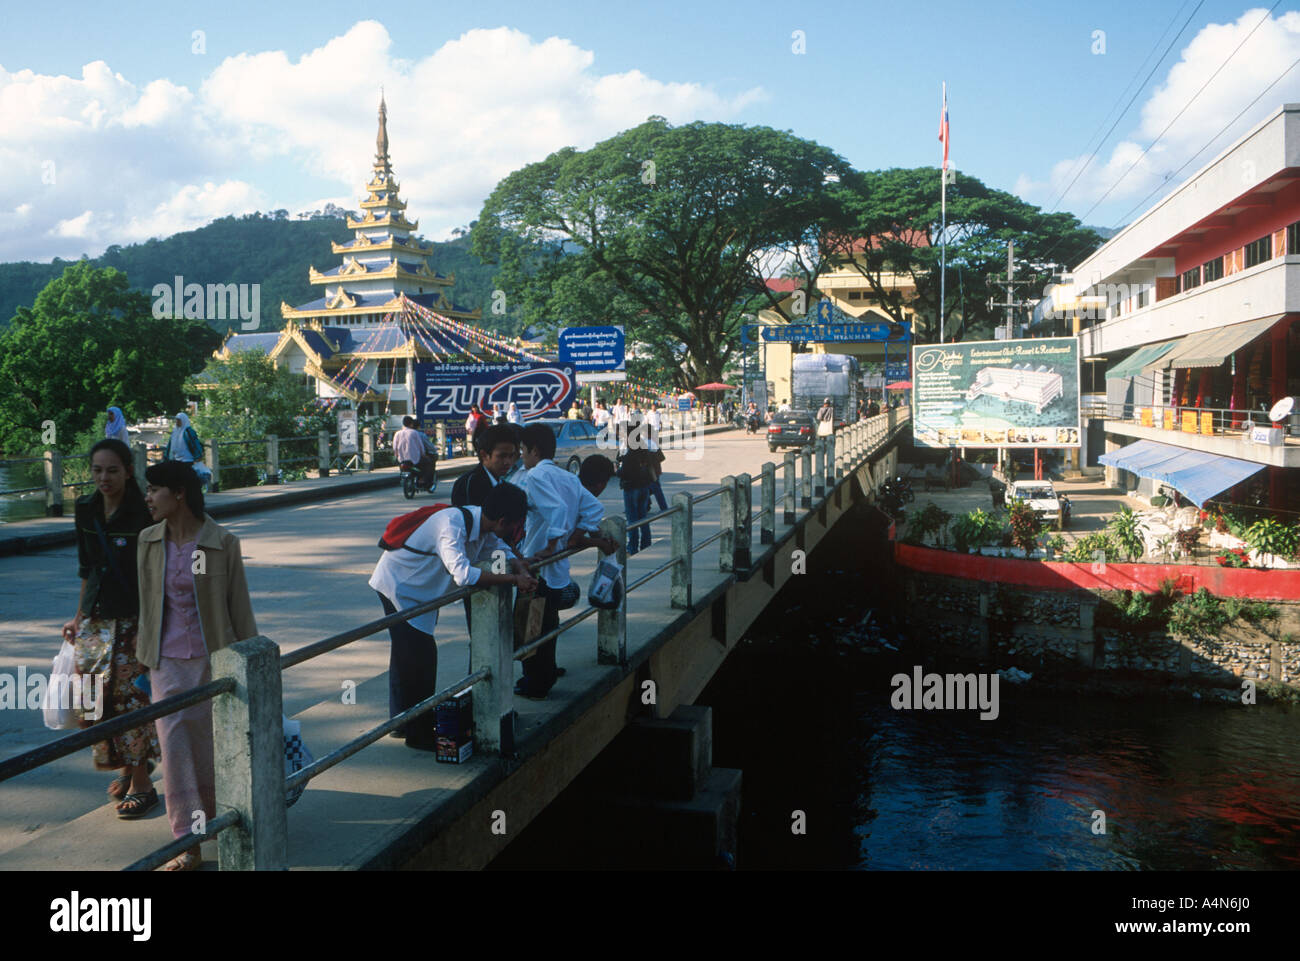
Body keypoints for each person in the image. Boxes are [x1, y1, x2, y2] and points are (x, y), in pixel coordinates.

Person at [136, 460, 257, 871]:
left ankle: (223, 823)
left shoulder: (221, 543)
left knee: (212, 748)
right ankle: (186, 843)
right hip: (165, 662)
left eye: (155, 490)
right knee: (175, 750)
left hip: (213, 660)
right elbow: (147, 605)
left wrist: (253, 663)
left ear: (180, 493)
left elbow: (238, 609)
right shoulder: (148, 541)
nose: (148, 498)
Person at [369, 485, 537, 747]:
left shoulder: (482, 524)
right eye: (514, 525)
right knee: (421, 657)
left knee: (408, 654)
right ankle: (418, 733)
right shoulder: (451, 525)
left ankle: (403, 721)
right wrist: (514, 579)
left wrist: (518, 563)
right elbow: (464, 575)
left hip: (421, 590)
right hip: (399, 586)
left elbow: (497, 549)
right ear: (503, 521)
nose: (513, 532)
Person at [64, 439, 159, 819]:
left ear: (129, 470)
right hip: (94, 619)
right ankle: (129, 763)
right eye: (97, 470)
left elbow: (157, 574)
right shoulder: (86, 509)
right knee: (90, 698)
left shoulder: (144, 511)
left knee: (127, 699)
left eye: (112, 470)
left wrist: (152, 625)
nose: (104, 478)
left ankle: (142, 785)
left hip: (133, 619)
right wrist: (77, 617)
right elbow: (87, 568)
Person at [515, 423, 592, 699]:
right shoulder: (567, 477)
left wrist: (550, 545)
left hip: (539, 564)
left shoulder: (535, 475)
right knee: (548, 622)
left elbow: (556, 510)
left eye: (523, 451)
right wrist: (574, 537)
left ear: (534, 451)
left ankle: (536, 683)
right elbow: (594, 508)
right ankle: (544, 676)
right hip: (557, 568)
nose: (521, 457)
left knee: (531, 626)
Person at [617, 415, 658, 556]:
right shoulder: (643, 447)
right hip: (644, 487)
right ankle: (646, 543)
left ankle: (632, 547)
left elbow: (626, 472)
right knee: (643, 517)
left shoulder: (630, 453)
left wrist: (617, 471)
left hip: (631, 488)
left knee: (632, 519)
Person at [163, 412, 211, 488]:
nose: (177, 422)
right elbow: (170, 446)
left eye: (179, 420)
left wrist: (198, 456)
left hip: (187, 460)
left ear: (184, 420)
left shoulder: (188, 432)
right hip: (176, 460)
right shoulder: (175, 432)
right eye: (176, 420)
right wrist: (166, 457)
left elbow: (194, 443)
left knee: (185, 479)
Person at [394, 416, 436, 490]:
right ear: (411, 424)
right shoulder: (414, 432)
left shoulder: (397, 433)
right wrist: (423, 454)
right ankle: (422, 479)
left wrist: (396, 455)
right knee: (429, 463)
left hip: (401, 459)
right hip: (415, 459)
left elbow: (395, 447)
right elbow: (420, 446)